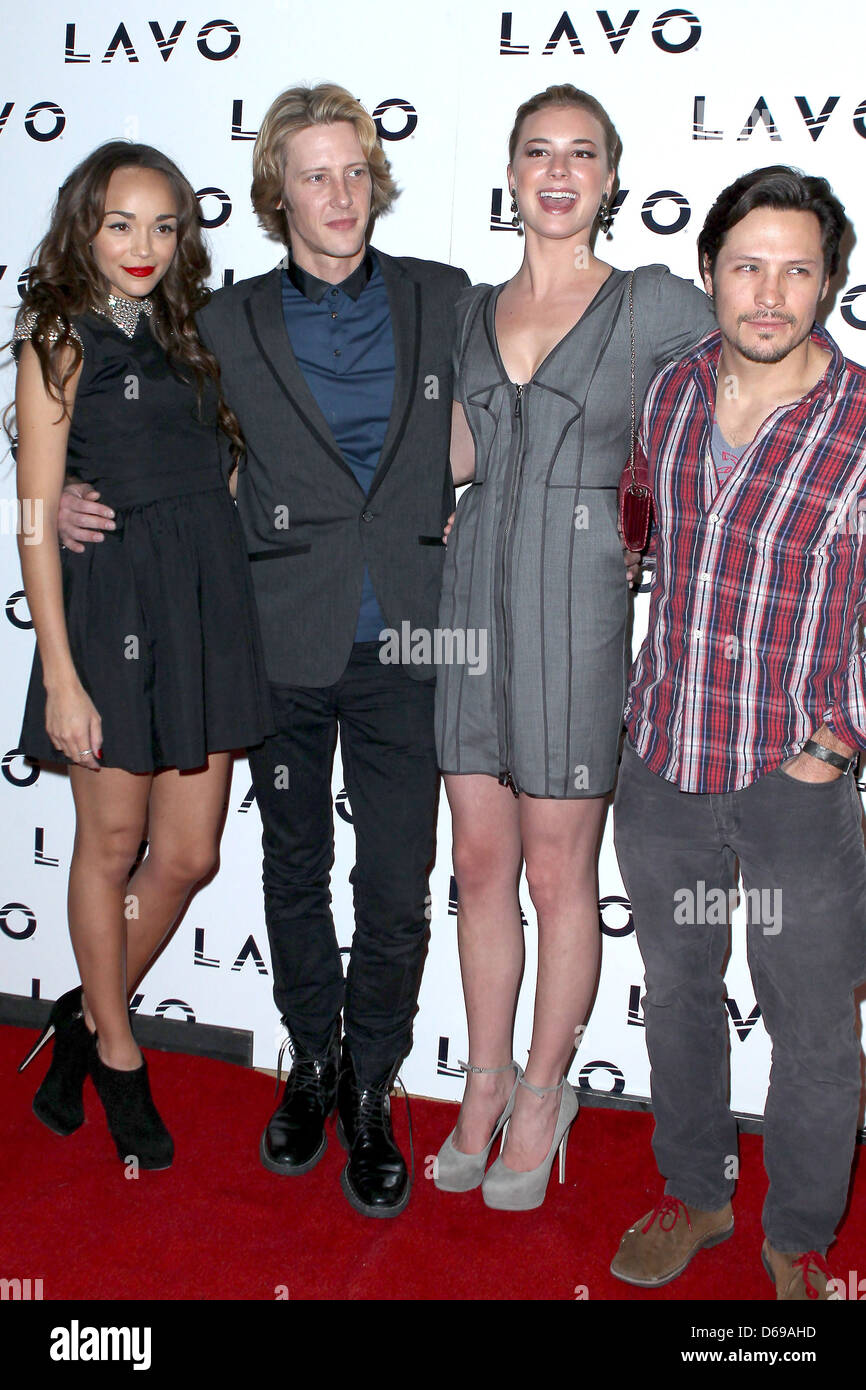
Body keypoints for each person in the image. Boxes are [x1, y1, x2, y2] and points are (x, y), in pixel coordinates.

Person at [59, 85, 469, 1217]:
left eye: (353, 172)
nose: (337, 194)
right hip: (273, 638)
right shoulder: (220, 322)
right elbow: (132, 421)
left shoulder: (445, 296)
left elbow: (510, 420)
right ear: (275, 193)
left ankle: (372, 1088)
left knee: (395, 883)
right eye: (312, 175)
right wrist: (70, 498)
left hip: (411, 637)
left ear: (375, 183)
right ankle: (310, 1065)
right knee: (292, 868)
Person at [433, 85, 716, 1210]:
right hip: (467, 601)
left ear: (610, 178)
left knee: (558, 877)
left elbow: (747, 381)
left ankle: (546, 1095)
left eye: (581, 154)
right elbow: (453, 453)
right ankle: (483, 1081)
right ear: (510, 174)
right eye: (538, 152)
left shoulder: (651, 302)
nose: (558, 172)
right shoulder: (467, 310)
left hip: (579, 604)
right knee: (477, 868)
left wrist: (660, 521)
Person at [610, 166, 866, 1300]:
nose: (769, 293)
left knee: (812, 1025)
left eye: (796, 270)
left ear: (828, 282)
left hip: (793, 778)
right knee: (677, 994)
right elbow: (638, 523)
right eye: (747, 266)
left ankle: (798, 1239)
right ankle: (698, 1193)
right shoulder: (668, 391)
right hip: (663, 757)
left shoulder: (860, 420)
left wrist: (839, 740)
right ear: (709, 270)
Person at [12, 142, 272, 1170]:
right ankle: (118, 1052)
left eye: (164, 226)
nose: (143, 245)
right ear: (84, 225)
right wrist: (62, 675)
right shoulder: (58, 337)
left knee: (191, 854)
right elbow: (37, 514)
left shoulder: (189, 334)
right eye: (121, 223)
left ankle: (82, 1015)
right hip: (110, 606)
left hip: (201, 606)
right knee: (111, 842)